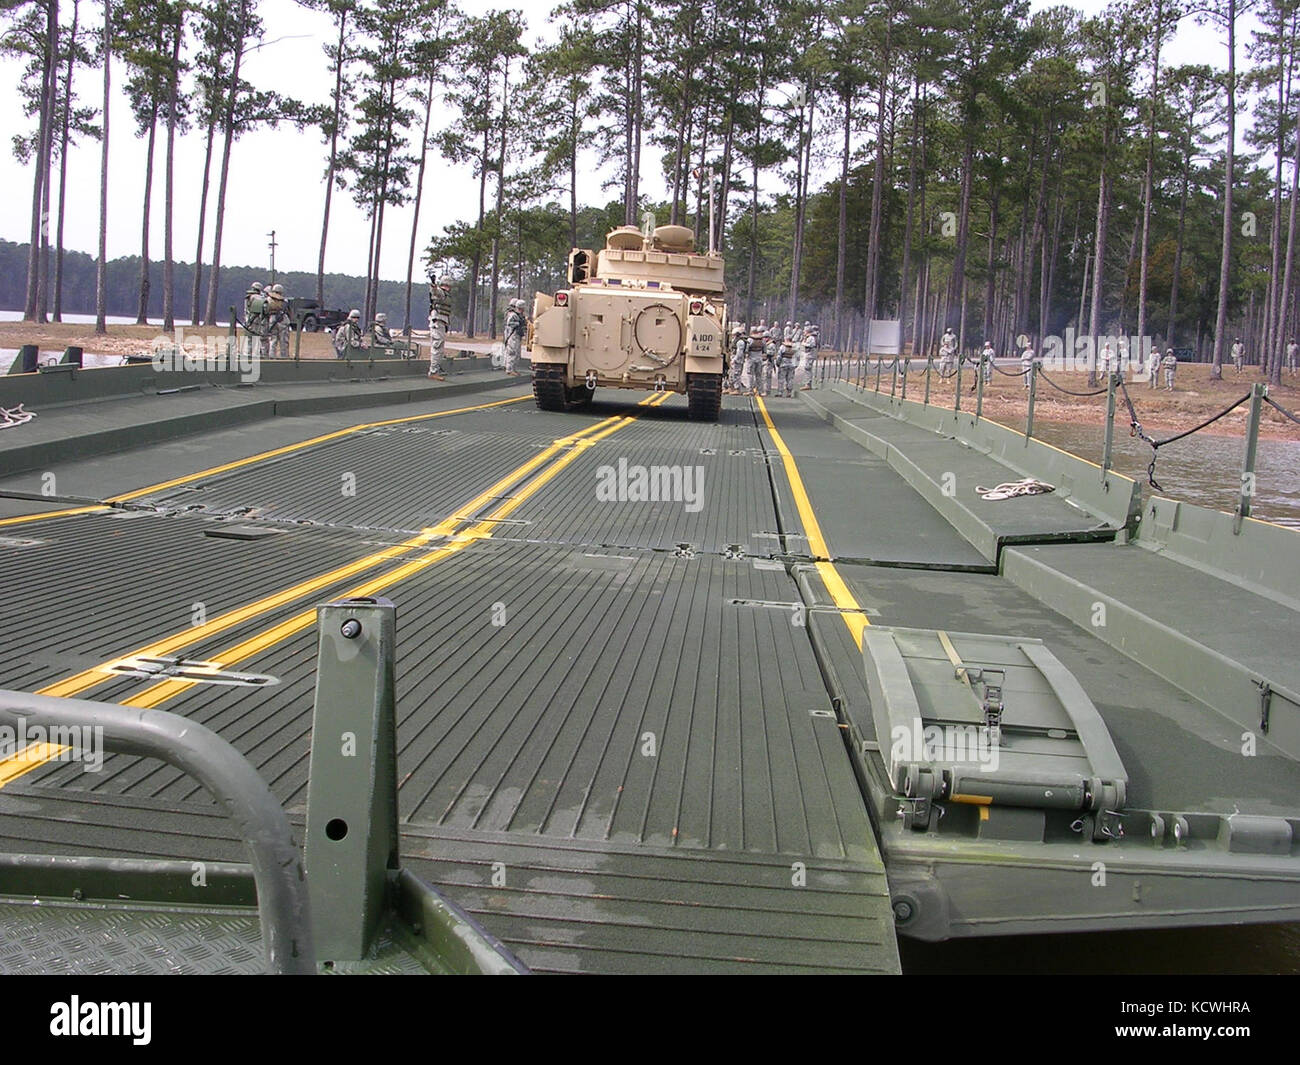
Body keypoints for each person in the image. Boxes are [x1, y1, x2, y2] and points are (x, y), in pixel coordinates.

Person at [428, 274, 451, 380]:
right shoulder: (440, 292)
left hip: (441, 322)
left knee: (440, 348)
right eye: (447, 285)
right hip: (437, 322)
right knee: (437, 346)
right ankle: (433, 371)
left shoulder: (446, 294)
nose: (448, 287)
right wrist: (433, 284)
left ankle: (435, 369)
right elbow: (435, 291)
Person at [265, 283, 290, 358]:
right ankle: (284, 357)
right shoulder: (285, 301)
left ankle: (271, 356)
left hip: (272, 319)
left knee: (273, 339)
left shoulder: (268, 299)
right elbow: (288, 311)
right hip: (282, 320)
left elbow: (266, 310)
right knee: (283, 341)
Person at [244, 282, 268, 358]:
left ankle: (248, 355)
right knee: (262, 340)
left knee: (249, 340)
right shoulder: (259, 297)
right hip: (258, 321)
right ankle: (263, 356)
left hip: (249, 320)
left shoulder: (248, 297)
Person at [503, 298, 527, 376]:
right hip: (513, 336)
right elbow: (510, 324)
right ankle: (509, 369)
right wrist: (519, 324)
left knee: (516, 353)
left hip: (516, 335)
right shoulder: (513, 315)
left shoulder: (517, 315)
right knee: (512, 352)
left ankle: (512, 368)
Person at [745, 327, 766, 397]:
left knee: (750, 374)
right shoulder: (762, 340)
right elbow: (765, 350)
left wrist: (746, 355)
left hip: (751, 359)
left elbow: (746, 350)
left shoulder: (750, 340)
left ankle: (750, 390)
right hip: (759, 359)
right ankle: (759, 391)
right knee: (759, 375)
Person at [725, 324, 746, 394]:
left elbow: (739, 352)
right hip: (733, 358)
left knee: (736, 374)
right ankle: (731, 387)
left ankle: (737, 389)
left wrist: (735, 360)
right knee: (731, 374)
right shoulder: (735, 341)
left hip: (737, 360)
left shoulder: (740, 342)